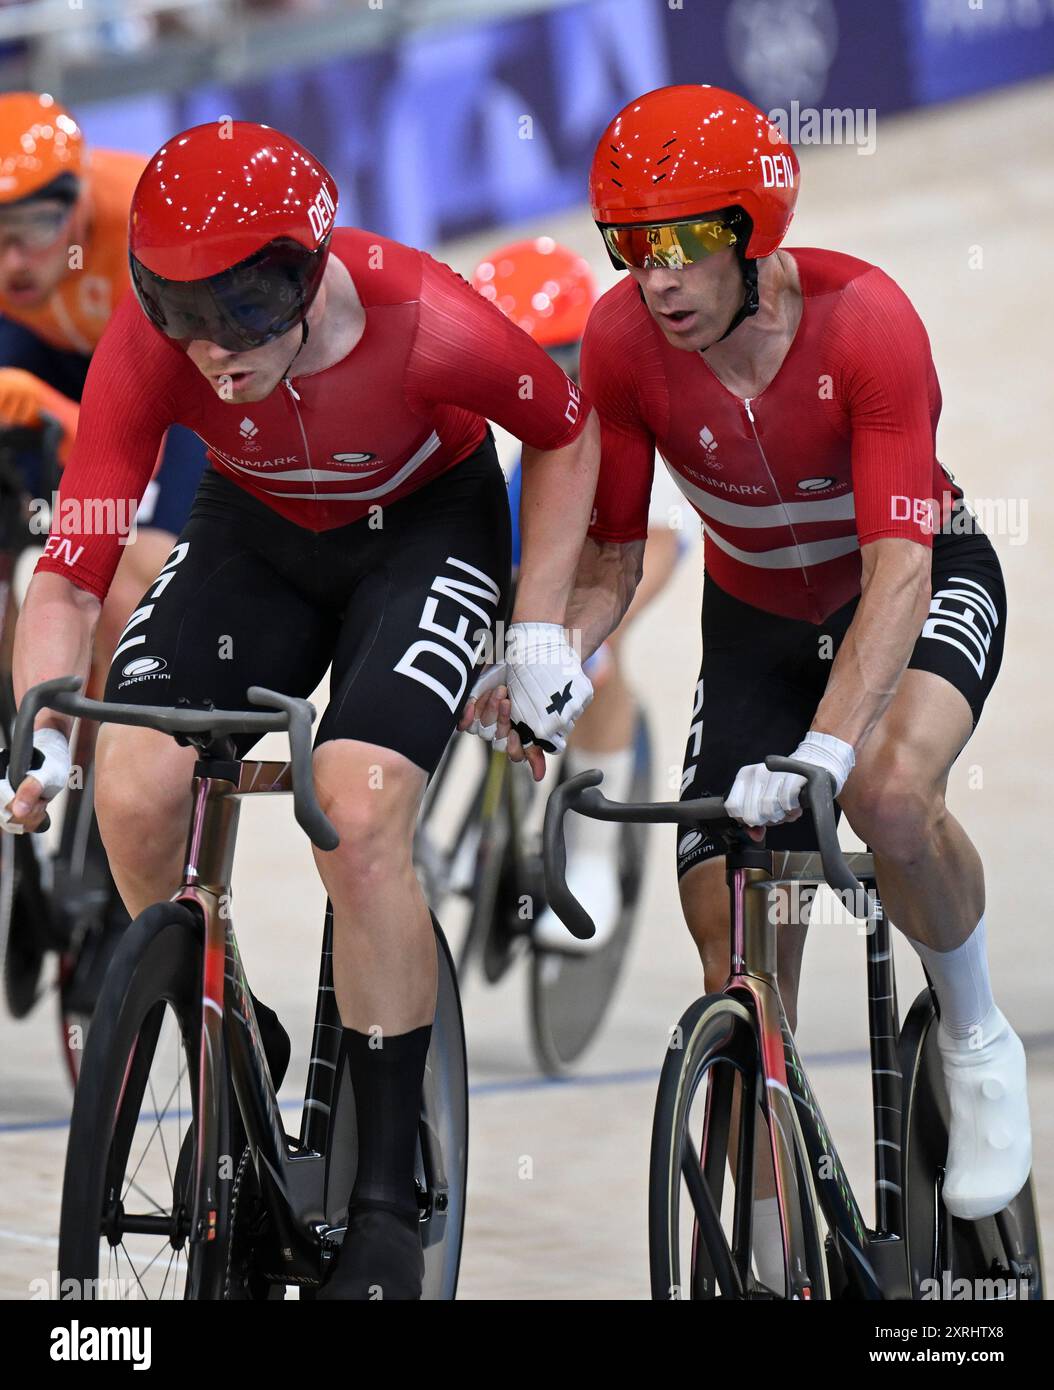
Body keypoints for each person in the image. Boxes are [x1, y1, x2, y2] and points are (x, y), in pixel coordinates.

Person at [2, 120, 600, 1299]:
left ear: (308, 273)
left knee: (359, 809)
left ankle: (384, 1190)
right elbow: (70, 572)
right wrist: (42, 728)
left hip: (421, 537)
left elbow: (565, 433)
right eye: (184, 320)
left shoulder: (429, 314)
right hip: (258, 532)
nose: (213, 356)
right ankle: (223, 1013)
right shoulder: (156, 340)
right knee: (135, 786)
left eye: (241, 320)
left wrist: (535, 633)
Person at [469, 83, 1031, 1281]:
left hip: (912, 588)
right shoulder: (622, 344)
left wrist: (823, 757)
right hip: (757, 624)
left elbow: (896, 577)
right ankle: (770, 1235)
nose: (653, 278)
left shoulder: (865, 321)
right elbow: (614, 553)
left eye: (679, 245)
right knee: (733, 921)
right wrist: (559, 653)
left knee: (884, 798)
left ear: (751, 229)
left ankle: (977, 1034)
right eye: (630, 247)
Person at [470, 236, 689, 949]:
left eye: (557, 364)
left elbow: (647, 543)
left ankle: (594, 858)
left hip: (642, 523)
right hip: (535, 478)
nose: (538, 382)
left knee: (594, 647)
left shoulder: (632, 383)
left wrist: (571, 636)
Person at [0, 91, 208, 688]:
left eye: (33, 231)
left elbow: (144, 427)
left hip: (172, 375)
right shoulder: (25, 266)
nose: (12, 261)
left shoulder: (142, 227)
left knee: (142, 567)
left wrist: (60, 420)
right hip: (49, 355)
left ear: (78, 200)